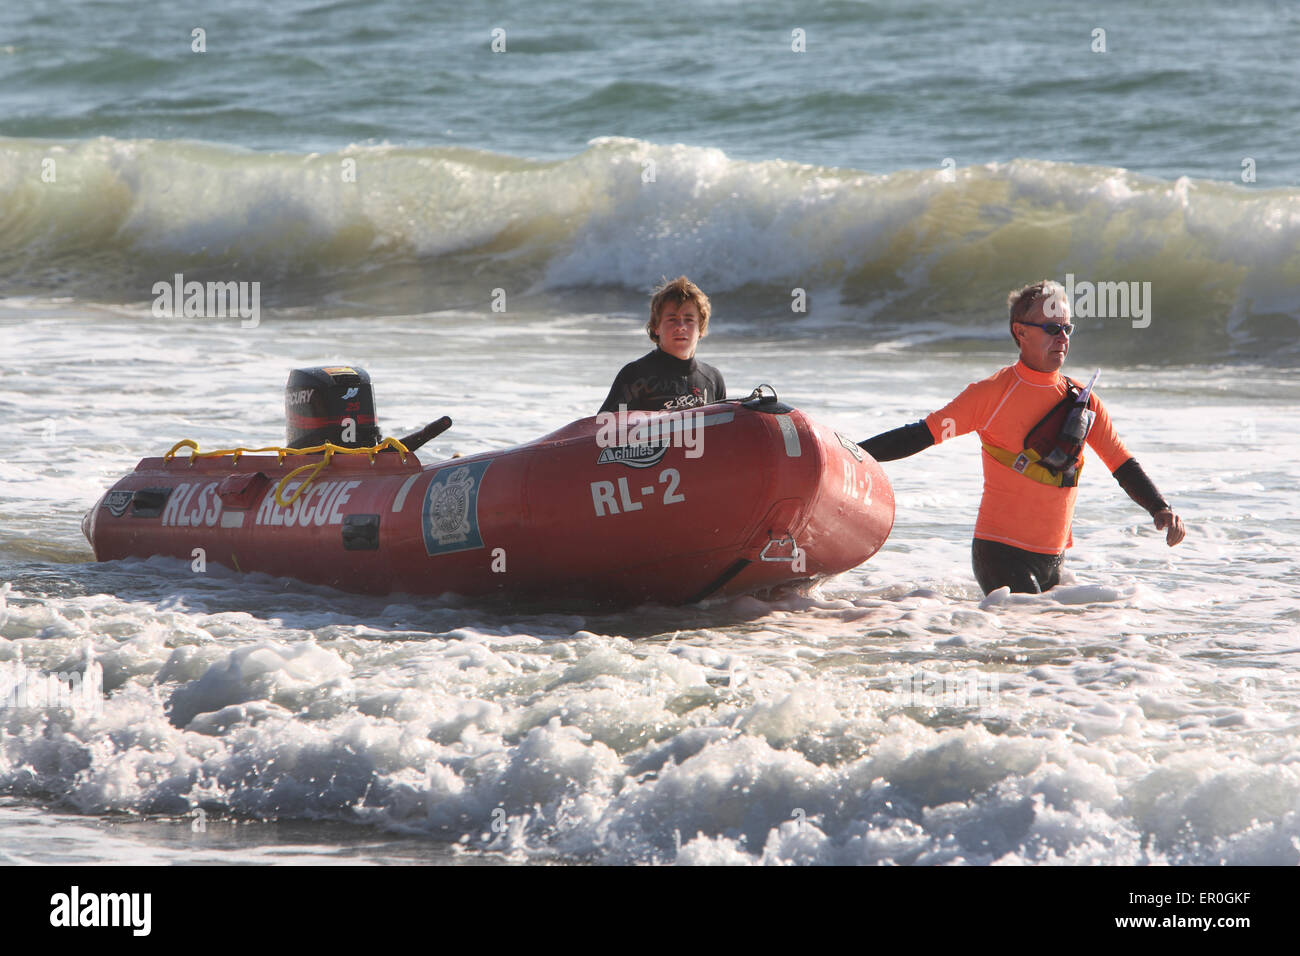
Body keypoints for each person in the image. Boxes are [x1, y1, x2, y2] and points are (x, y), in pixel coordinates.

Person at [859, 279, 1186, 595]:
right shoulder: (991, 395)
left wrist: (1160, 507)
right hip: (1000, 553)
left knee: (1048, 642)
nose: (1062, 338)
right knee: (1031, 635)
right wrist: (852, 452)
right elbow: (921, 434)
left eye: (1067, 329)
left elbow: (1122, 464)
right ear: (1021, 331)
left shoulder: (1082, 402)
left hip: (1054, 557)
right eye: (1052, 328)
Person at [598, 276, 725, 414]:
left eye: (689, 320)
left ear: (700, 328)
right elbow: (605, 429)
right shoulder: (635, 376)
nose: (681, 327)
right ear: (656, 327)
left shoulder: (712, 379)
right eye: (672, 319)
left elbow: (725, 431)